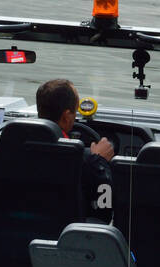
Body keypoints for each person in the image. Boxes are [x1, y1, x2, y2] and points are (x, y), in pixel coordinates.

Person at [36, 78, 115, 219]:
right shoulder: (83, 160)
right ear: (66, 117)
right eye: (75, 111)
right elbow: (105, 209)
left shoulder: (15, 148)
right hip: (66, 237)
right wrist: (99, 162)